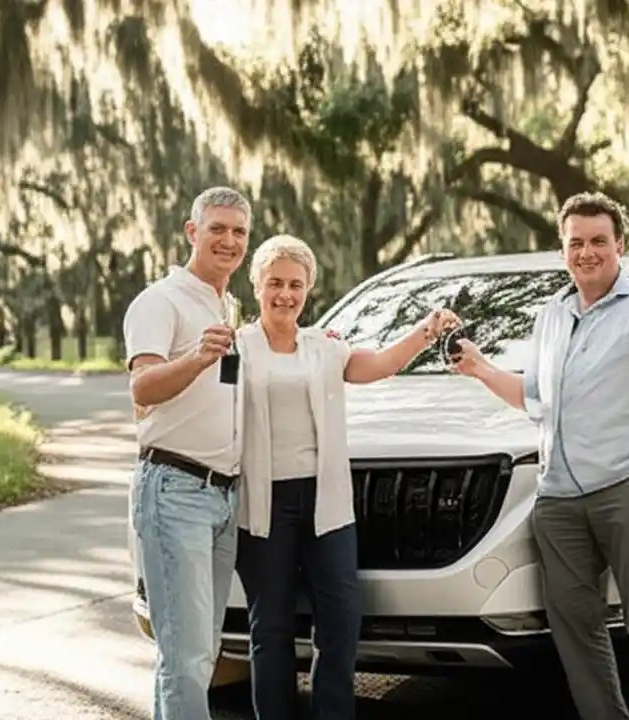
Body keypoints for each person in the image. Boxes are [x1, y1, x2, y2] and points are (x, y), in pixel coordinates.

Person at [450, 192, 629, 720]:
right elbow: (536, 397)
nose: (587, 252)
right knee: (574, 626)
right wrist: (479, 367)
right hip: (560, 495)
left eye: (598, 242)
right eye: (576, 242)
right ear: (563, 249)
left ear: (620, 246)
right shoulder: (553, 313)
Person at [233, 234, 461, 720]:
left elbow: (378, 366)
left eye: (296, 284)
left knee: (339, 620)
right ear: (257, 286)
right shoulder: (237, 348)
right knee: (269, 627)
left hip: (326, 502)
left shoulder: (325, 347)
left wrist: (425, 331)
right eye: (275, 282)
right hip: (263, 504)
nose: (285, 294)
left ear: (308, 288)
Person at [122, 186, 253, 720]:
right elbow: (143, 387)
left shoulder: (225, 304)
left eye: (239, 231)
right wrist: (199, 358)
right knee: (186, 655)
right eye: (217, 228)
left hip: (223, 497)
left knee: (199, 654)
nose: (228, 240)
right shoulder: (162, 300)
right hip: (175, 490)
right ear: (191, 231)